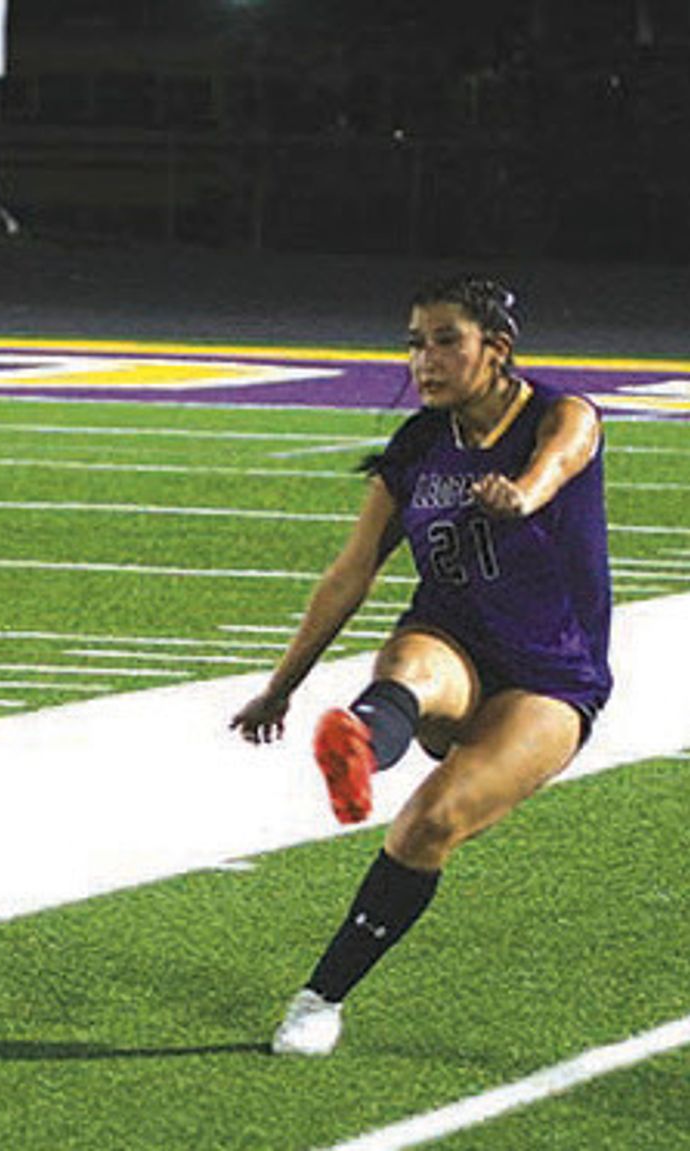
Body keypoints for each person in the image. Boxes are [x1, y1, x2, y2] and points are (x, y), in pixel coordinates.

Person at [230, 275, 612, 1056]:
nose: (425, 359)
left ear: (495, 350)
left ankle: (319, 998)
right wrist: (281, 687)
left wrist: (525, 494)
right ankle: (358, 748)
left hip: (550, 676)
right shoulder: (417, 445)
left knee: (427, 825)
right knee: (409, 661)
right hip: (456, 644)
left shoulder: (559, 413)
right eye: (414, 342)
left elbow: (560, 461)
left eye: (445, 340)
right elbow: (351, 572)